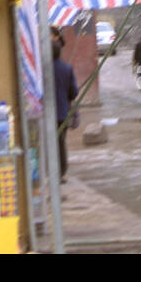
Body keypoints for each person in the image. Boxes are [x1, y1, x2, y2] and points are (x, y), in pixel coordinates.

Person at [53, 43, 79, 184]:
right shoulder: (67, 69)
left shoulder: (42, 70)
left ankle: (50, 171)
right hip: (62, 112)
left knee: (48, 142)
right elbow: (74, 92)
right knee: (61, 142)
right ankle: (61, 173)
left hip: (46, 113)